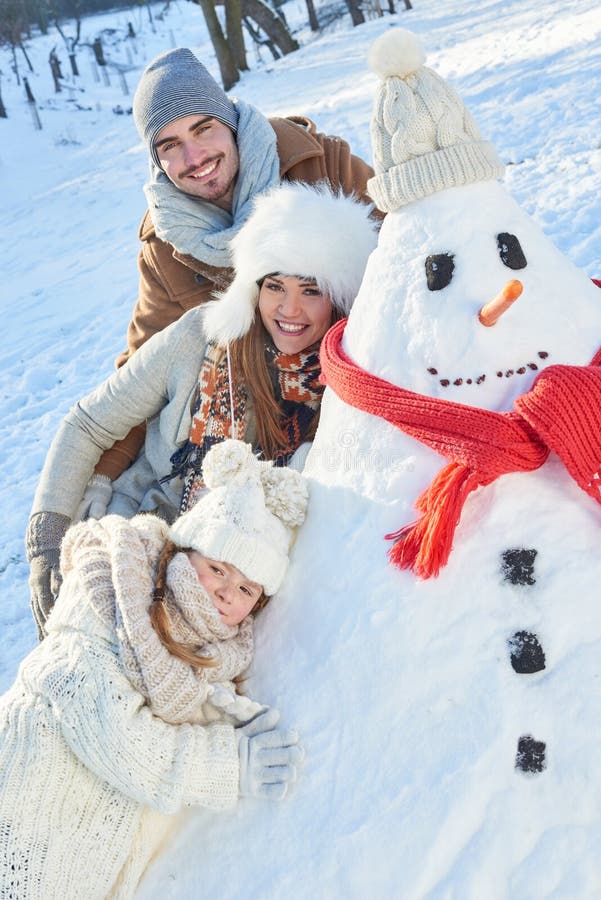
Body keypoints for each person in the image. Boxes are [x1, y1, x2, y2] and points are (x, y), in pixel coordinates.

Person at [27, 182, 378, 635]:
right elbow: (88, 424)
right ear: (254, 287)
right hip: (140, 535)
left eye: (311, 290)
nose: (289, 308)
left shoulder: (348, 383)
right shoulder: (200, 338)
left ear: (339, 297)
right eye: (275, 285)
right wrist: (46, 540)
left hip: (234, 589)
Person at [1, 439, 306, 900]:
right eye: (218, 567)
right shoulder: (107, 591)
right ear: (183, 551)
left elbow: (178, 699)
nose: (227, 591)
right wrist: (231, 763)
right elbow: (116, 736)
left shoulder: (214, 650)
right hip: (26, 797)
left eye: (246, 588)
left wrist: (231, 714)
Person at [96, 46, 381, 483]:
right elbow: (140, 373)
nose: (194, 158)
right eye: (170, 145)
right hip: (260, 436)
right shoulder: (165, 246)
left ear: (228, 122)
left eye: (203, 128)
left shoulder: (320, 165)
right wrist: (100, 478)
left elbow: (410, 246)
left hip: (363, 391)